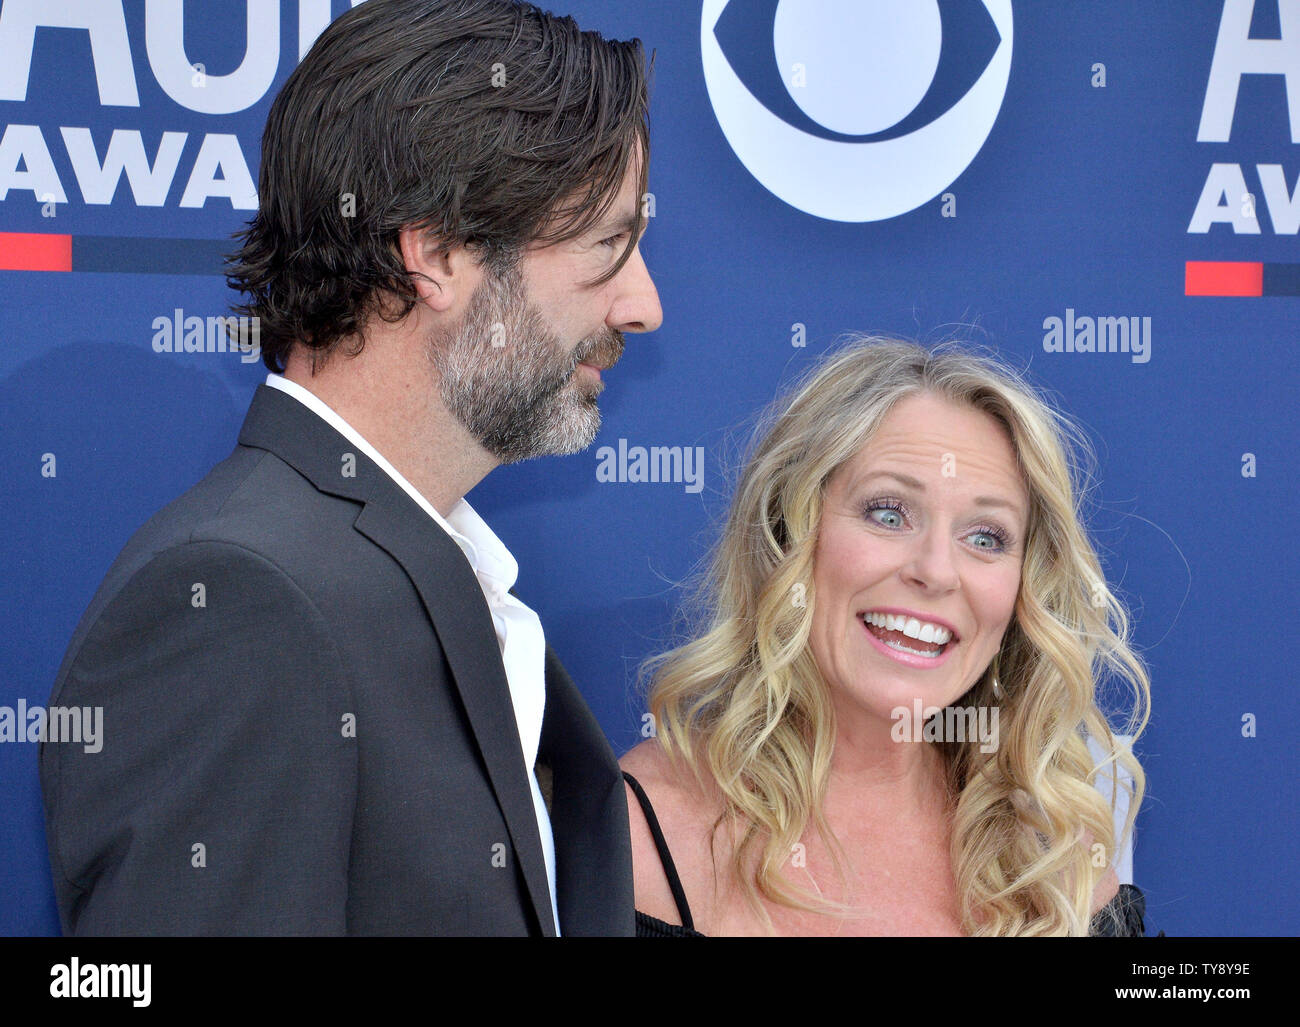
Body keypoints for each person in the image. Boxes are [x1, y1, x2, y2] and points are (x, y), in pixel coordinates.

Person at [40, 0, 661, 936]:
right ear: (438, 252)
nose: (644, 304)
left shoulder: (419, 573)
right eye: (609, 245)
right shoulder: (237, 601)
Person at [621, 337, 1155, 936]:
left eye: (986, 537)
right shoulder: (642, 829)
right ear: (787, 532)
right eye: (888, 512)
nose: (935, 570)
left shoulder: (1050, 848)